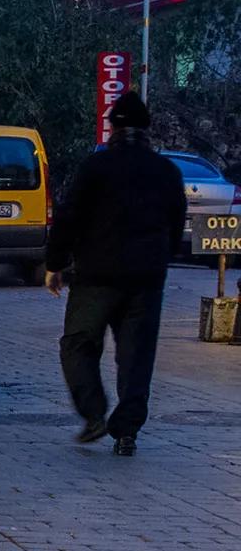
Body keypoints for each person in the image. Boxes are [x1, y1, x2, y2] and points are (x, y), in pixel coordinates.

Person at [45, 91, 185, 457]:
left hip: (96, 277)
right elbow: (176, 225)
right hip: (145, 281)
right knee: (136, 357)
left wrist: (55, 263)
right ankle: (127, 432)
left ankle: (93, 414)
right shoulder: (166, 172)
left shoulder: (97, 167)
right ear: (147, 129)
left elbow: (69, 215)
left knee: (77, 344)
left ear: (113, 128)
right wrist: (159, 261)